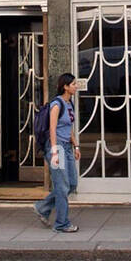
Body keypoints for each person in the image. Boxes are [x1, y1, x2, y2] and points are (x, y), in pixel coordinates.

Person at [33, 72, 81, 232]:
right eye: (73, 84)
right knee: (62, 186)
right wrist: (54, 152)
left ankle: (43, 206)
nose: (76, 86)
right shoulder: (57, 104)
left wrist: (76, 146)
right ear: (65, 87)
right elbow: (52, 129)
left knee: (72, 183)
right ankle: (62, 223)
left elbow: (69, 127)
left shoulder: (69, 104)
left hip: (67, 147)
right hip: (57, 147)